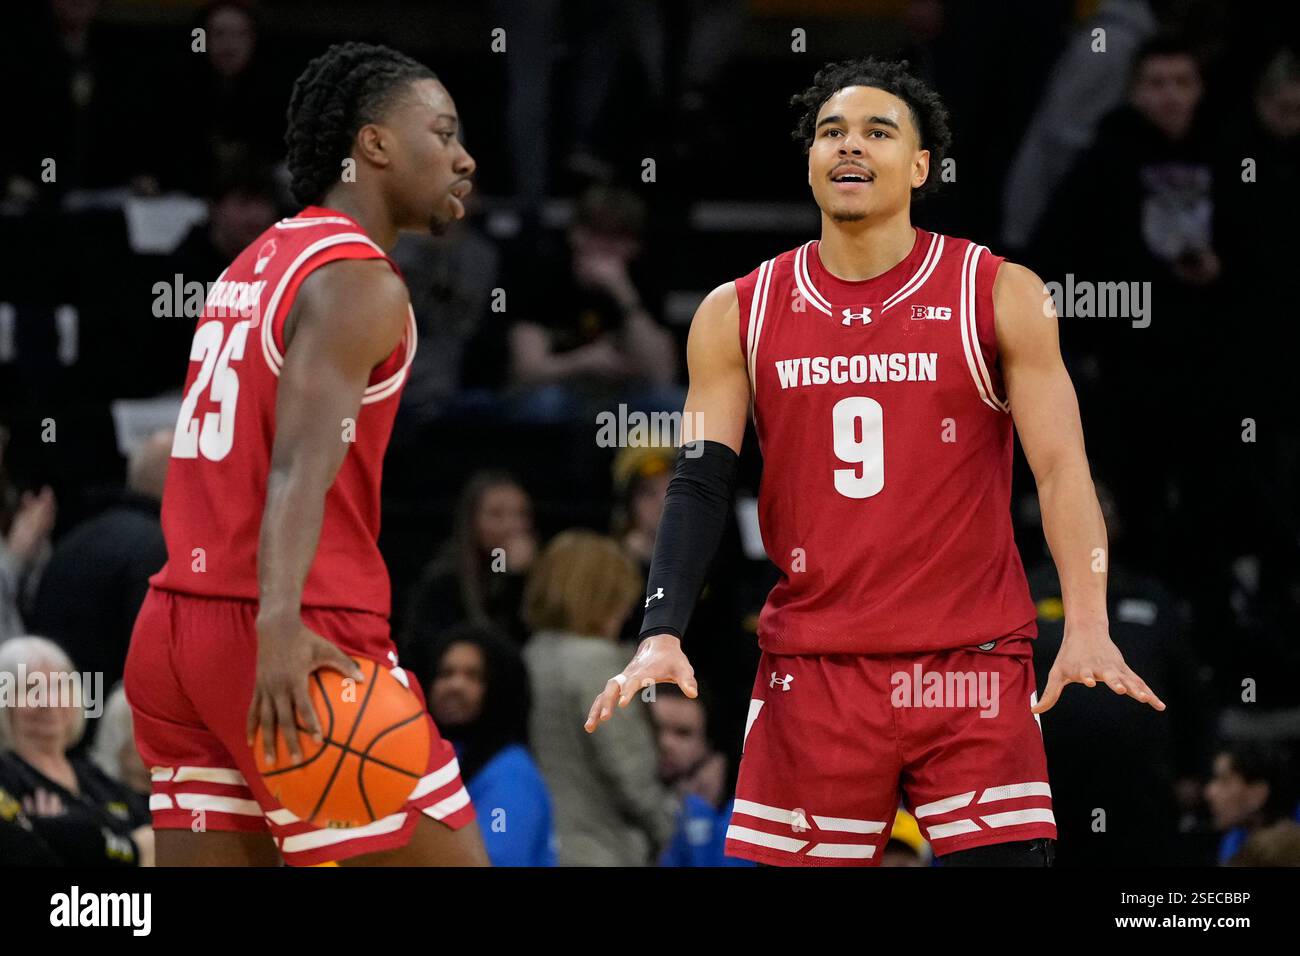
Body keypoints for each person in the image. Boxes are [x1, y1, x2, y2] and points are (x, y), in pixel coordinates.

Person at [588, 57, 1166, 867]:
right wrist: (661, 631)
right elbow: (699, 480)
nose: (850, 145)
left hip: (970, 662)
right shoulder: (737, 310)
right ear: (810, 160)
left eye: (877, 132)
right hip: (815, 668)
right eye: (831, 132)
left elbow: (1063, 469)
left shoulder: (998, 292)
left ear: (921, 166)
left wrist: (1090, 622)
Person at [123, 43, 488, 867]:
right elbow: (296, 467)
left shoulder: (250, 264)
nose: (464, 159)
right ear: (374, 144)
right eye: (442, 133)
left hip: (176, 627)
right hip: (293, 622)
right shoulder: (360, 280)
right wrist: (279, 625)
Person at [524, 530, 677, 865]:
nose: (624, 612)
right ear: (600, 597)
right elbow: (629, 772)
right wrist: (671, 830)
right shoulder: (595, 662)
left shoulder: (532, 654)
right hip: (600, 850)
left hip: (545, 845)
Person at [30, 428, 171, 693]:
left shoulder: (76, 536)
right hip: (111, 707)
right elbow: (152, 658)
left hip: (58, 700)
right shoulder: (156, 546)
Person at [0, 636, 152, 866]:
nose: (48, 702)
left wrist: (69, 835)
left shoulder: (93, 774)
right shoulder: (7, 778)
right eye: (30, 689)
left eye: (59, 687)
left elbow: (159, 838)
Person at [426, 624, 556, 866]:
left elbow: (495, 859)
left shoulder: (510, 774)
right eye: (445, 673)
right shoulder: (441, 756)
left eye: (473, 676)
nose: (455, 685)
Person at [399, 470, 536, 679]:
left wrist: (518, 578)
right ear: (472, 521)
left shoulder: (514, 570)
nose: (512, 526)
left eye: (521, 515)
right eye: (497, 515)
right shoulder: (445, 579)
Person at [652, 682, 751, 868]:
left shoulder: (741, 820)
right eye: (655, 729)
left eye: (683, 733)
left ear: (707, 745)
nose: (665, 743)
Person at [1205, 741, 1300, 865]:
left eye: (1224, 781)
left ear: (1258, 794)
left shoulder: (1291, 850)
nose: (1210, 792)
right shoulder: (1232, 841)